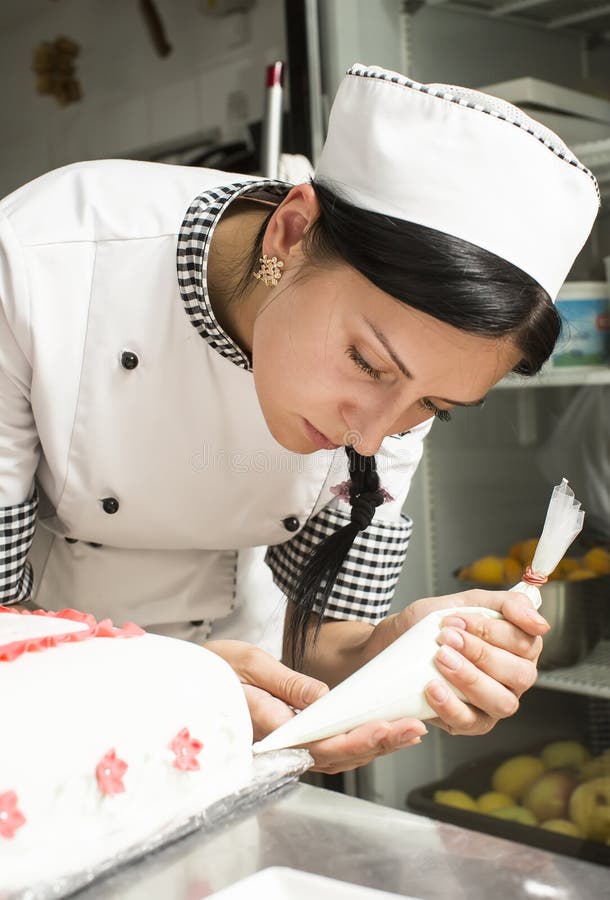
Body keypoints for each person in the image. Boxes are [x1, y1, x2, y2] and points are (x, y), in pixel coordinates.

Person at [0, 64, 598, 773]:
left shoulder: (405, 380)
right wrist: (169, 683)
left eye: (432, 406)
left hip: (230, 714)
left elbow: (326, 652)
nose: (372, 435)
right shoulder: (38, 266)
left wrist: (401, 655)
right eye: (368, 364)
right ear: (290, 232)